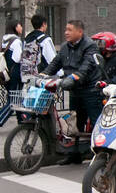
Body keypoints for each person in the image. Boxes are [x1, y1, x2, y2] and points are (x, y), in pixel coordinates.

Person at [40, 19, 102, 162]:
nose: (66, 32)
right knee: (74, 124)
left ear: (79, 32)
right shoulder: (65, 47)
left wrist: (73, 78)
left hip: (90, 90)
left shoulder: (90, 46)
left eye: (69, 30)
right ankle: (74, 155)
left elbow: (85, 68)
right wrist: (42, 75)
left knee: (96, 123)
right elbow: (55, 63)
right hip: (75, 90)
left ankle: (100, 155)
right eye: (66, 29)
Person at [0, 20, 24, 135]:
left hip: (6, 74)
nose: (21, 27)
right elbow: (18, 58)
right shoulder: (16, 41)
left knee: (15, 98)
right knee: (14, 100)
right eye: (20, 25)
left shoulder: (5, 40)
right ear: (15, 27)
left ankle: (23, 122)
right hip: (15, 74)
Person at [19, 13, 58, 78]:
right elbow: (52, 58)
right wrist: (60, 73)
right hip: (42, 75)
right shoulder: (45, 39)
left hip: (28, 74)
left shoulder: (27, 39)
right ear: (43, 24)